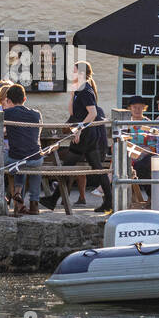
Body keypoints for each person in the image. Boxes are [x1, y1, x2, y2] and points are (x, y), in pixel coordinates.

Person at [42, 62, 113, 213]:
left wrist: (79, 129)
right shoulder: (80, 90)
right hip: (86, 136)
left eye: (74, 72)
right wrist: (72, 94)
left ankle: (53, 200)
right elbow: (73, 113)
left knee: (68, 167)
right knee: (97, 169)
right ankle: (109, 201)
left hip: (85, 137)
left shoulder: (86, 90)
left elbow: (92, 113)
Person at [3, 84, 43, 215]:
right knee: (29, 163)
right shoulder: (36, 114)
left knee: (6, 158)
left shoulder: (6, 113)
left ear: (8, 100)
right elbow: (37, 135)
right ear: (24, 99)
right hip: (37, 158)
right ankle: (34, 204)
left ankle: (15, 197)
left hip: (17, 158)